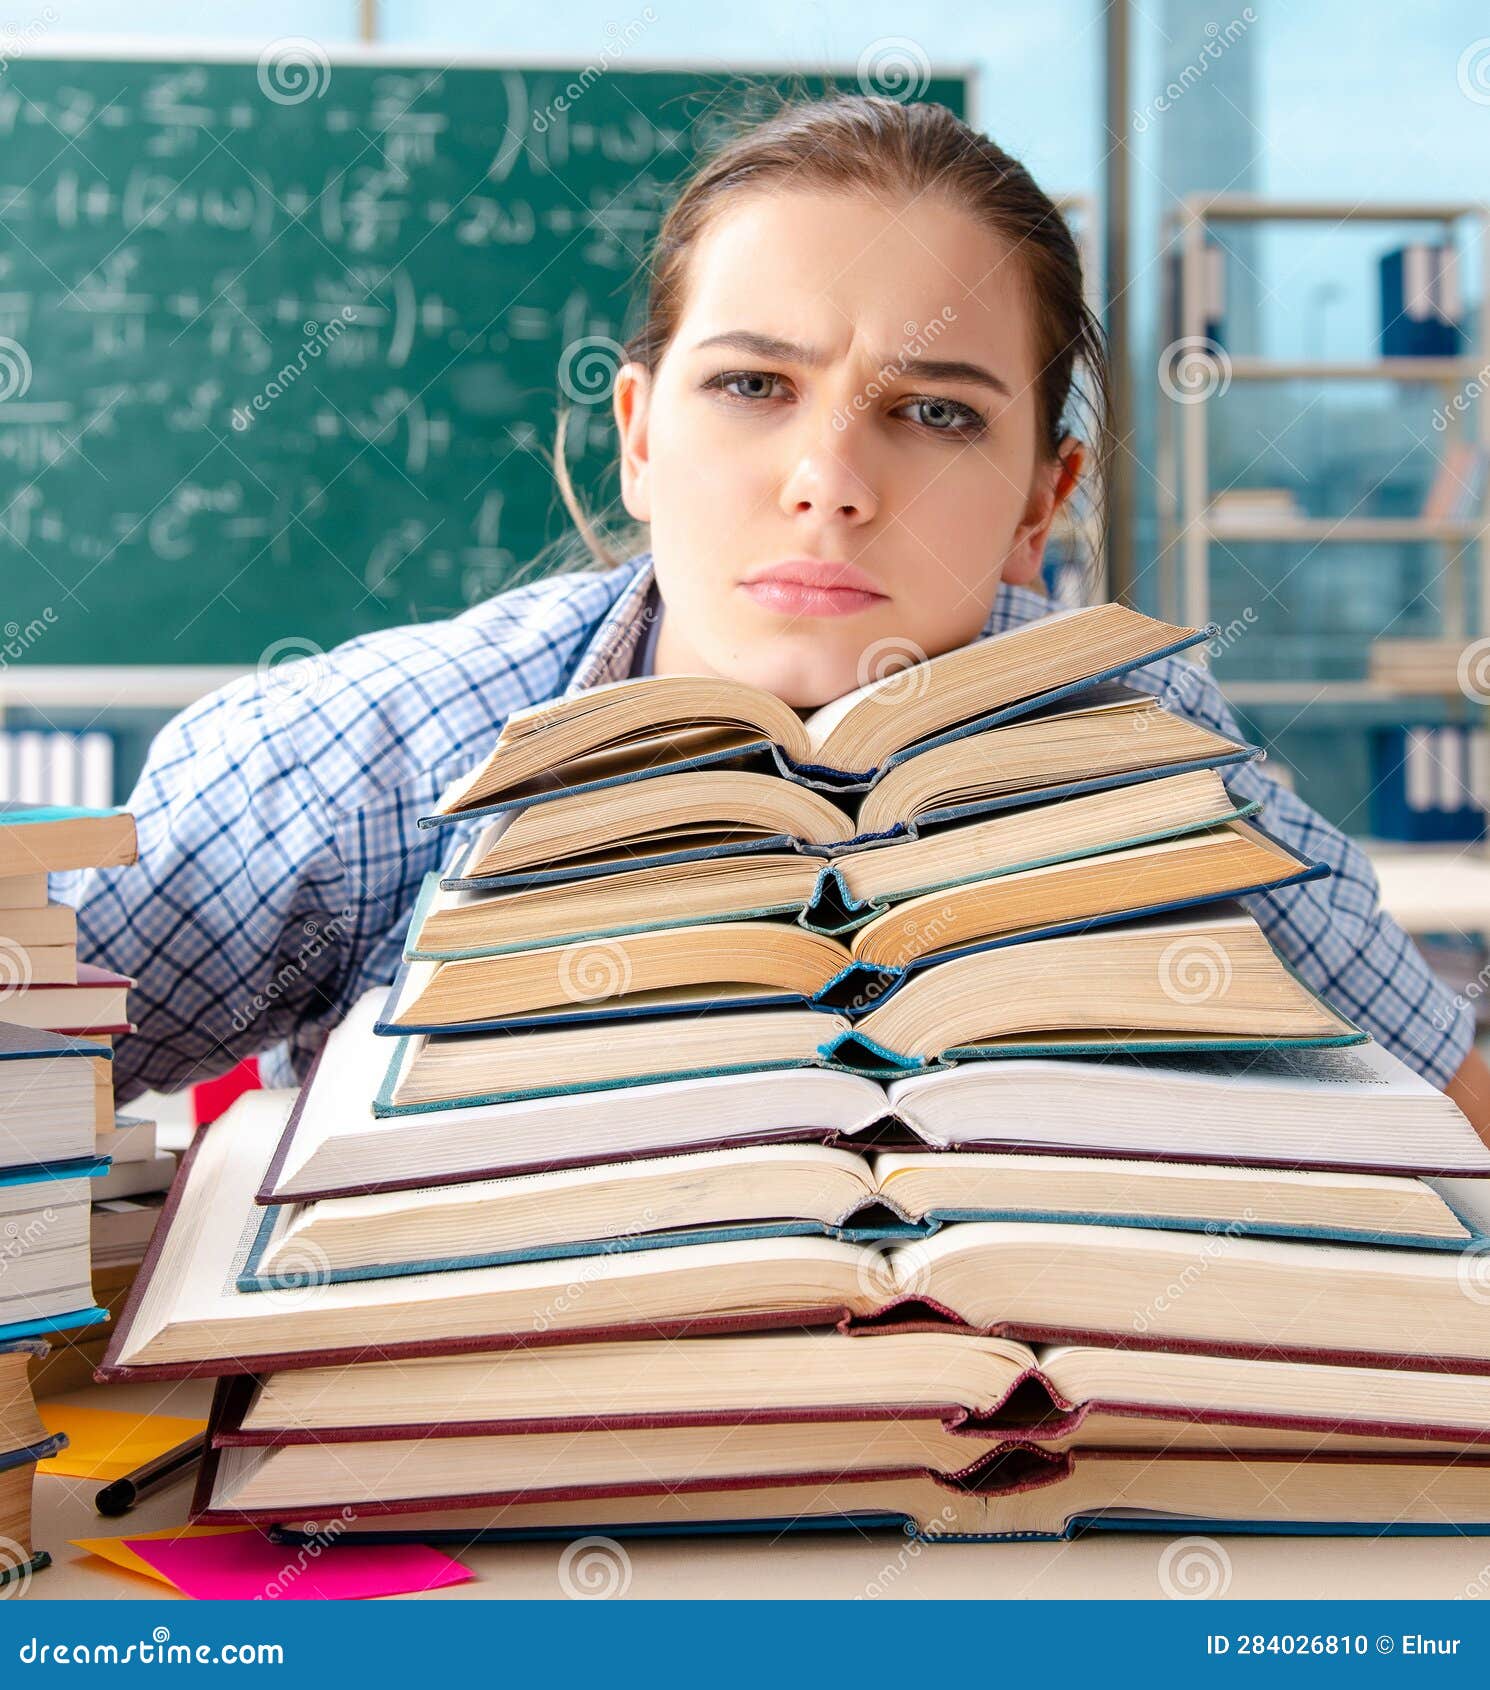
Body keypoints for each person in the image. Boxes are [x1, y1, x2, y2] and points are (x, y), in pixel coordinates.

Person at [55, 92, 1490, 1141]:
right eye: (752, 386)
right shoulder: (369, 752)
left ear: (1037, 502)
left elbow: (1454, 1113)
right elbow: (30, 1061)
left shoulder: (1158, 757)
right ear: (636, 432)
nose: (831, 485)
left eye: (932, 413)